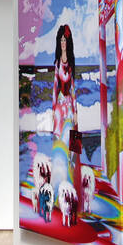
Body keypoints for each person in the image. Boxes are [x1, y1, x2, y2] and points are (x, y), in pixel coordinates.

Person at [50, 24, 82, 204]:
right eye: (61, 39)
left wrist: (76, 110)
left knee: (72, 147)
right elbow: (54, 88)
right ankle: (58, 187)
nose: (63, 42)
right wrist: (53, 109)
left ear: (68, 42)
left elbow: (74, 88)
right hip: (59, 110)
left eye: (65, 40)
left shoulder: (71, 62)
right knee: (59, 146)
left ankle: (73, 188)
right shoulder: (56, 63)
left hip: (69, 107)